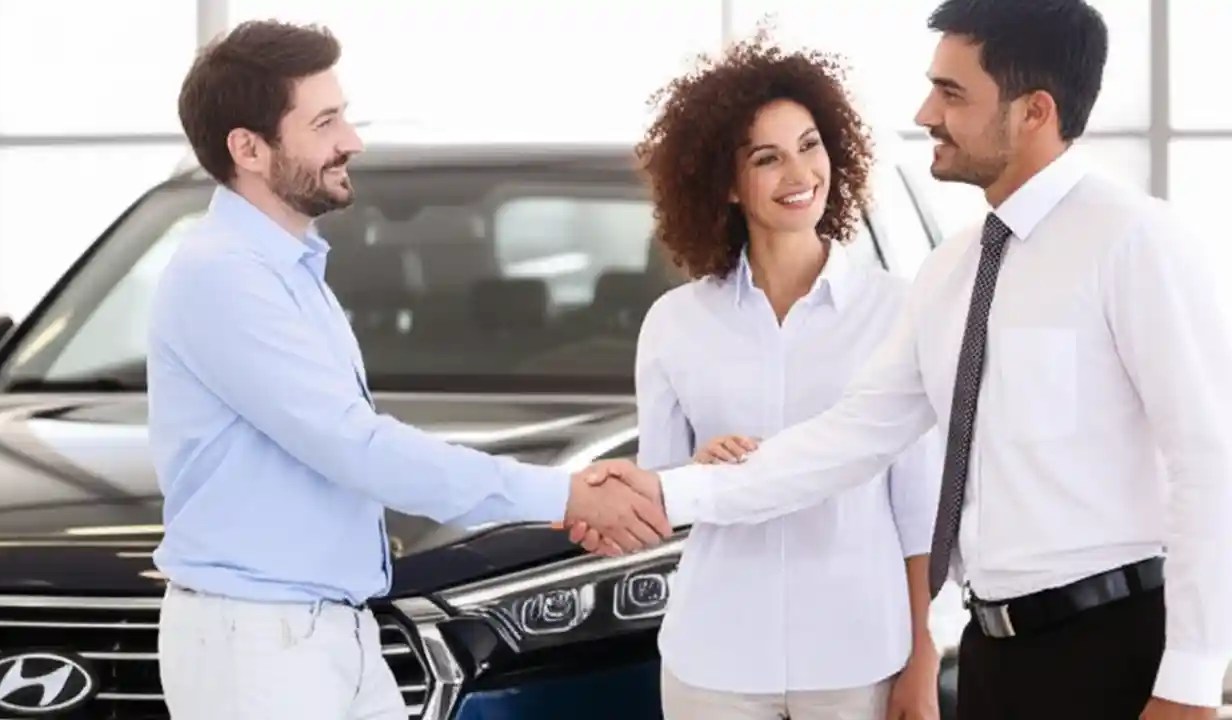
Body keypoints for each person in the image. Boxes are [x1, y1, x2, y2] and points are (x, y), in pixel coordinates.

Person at [575, 1, 1232, 718]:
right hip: (993, 654)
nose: (925, 112)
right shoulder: (952, 271)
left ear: (1034, 111)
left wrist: (1192, 682)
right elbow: (845, 439)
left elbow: (1211, 463)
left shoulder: (1136, 241)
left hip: (1114, 646)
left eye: (952, 93)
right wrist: (668, 493)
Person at [147, 20, 667, 719]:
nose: (351, 140)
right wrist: (565, 498)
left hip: (332, 629)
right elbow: (357, 448)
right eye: (325, 120)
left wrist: (556, 504)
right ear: (249, 149)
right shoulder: (223, 276)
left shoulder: (290, 269)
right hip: (258, 645)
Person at [624, 34, 941, 720]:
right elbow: (655, 505)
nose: (800, 173)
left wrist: (923, 659)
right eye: (767, 158)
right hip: (715, 661)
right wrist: (695, 469)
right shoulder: (676, 323)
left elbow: (918, 512)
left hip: (860, 658)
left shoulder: (898, 311)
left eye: (809, 145)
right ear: (728, 185)